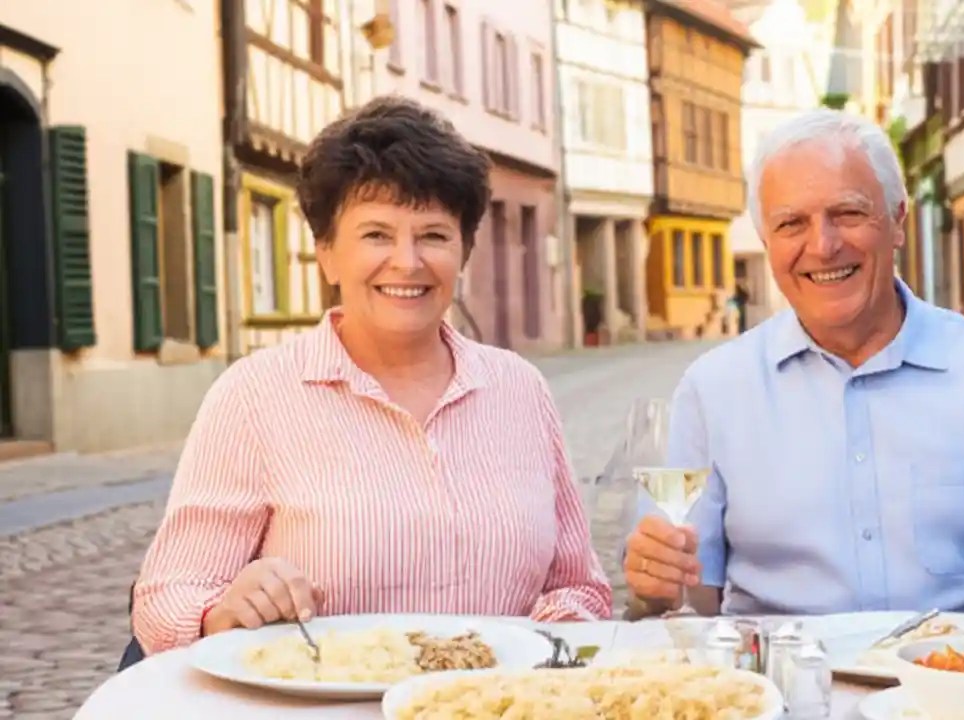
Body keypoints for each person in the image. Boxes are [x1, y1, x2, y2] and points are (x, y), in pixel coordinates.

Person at [621, 109, 964, 639]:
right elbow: (689, 601)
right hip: (784, 698)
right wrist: (660, 587)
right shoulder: (713, 391)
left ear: (899, 221)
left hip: (963, 694)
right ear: (767, 241)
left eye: (848, 213)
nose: (823, 245)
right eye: (792, 223)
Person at [131, 96, 611, 655]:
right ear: (327, 254)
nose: (407, 262)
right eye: (376, 234)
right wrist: (221, 612)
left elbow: (578, 585)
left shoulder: (520, 389)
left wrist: (537, 643)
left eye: (433, 234)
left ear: (464, 251)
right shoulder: (255, 395)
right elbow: (165, 600)